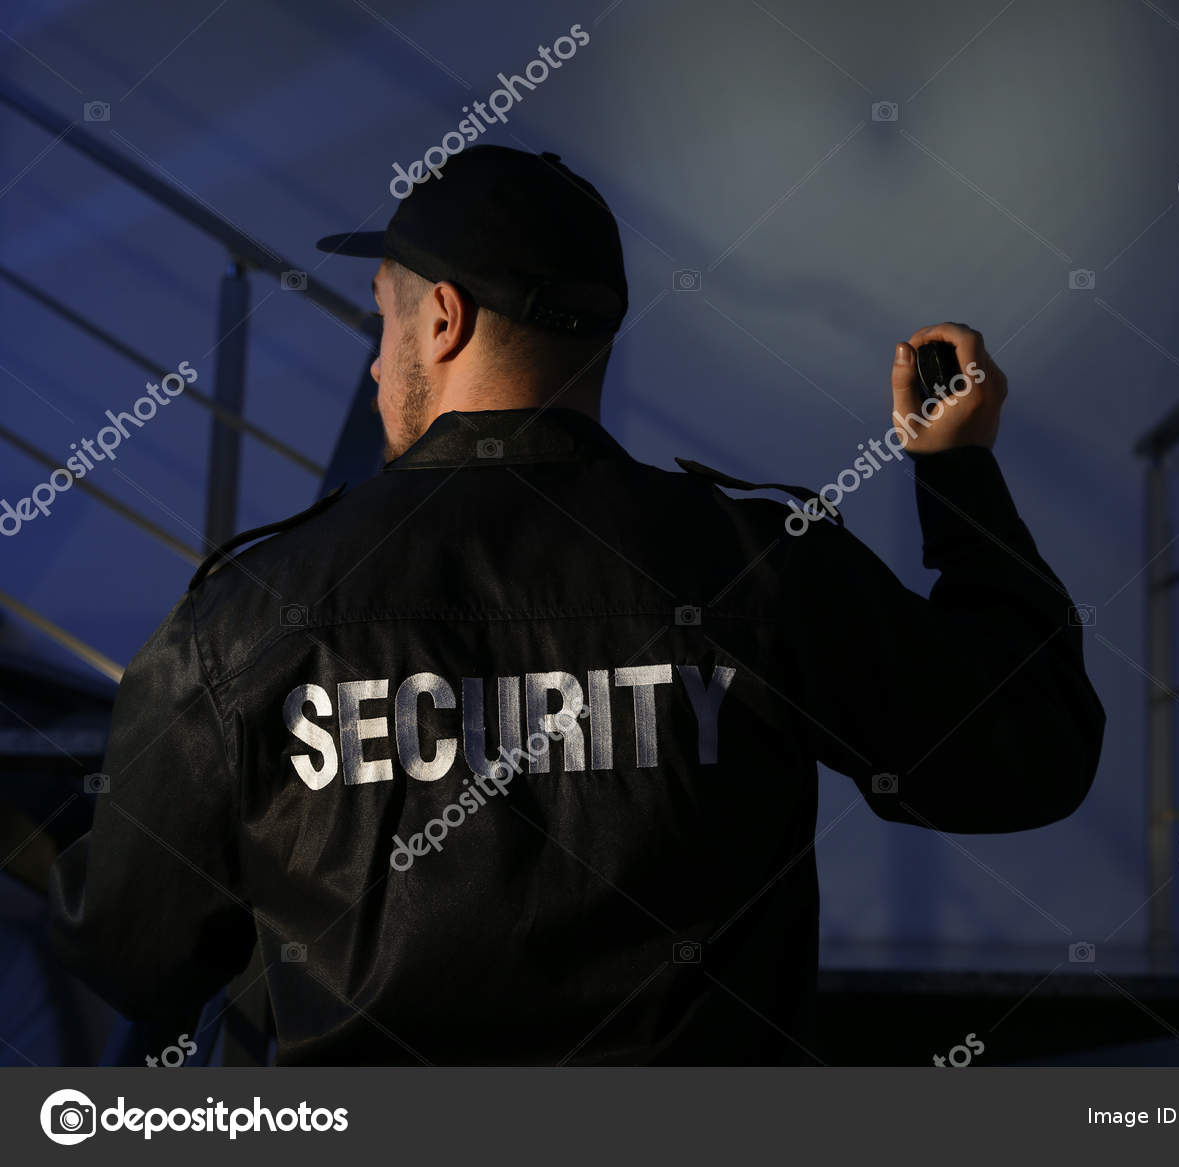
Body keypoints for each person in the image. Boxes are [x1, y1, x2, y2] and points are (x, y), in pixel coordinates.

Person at [48, 145, 1105, 1065]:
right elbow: (1026, 754)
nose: (374, 367)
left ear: (444, 319)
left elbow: (133, 955)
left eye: (385, 321)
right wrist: (958, 475)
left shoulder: (246, 620)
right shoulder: (760, 568)